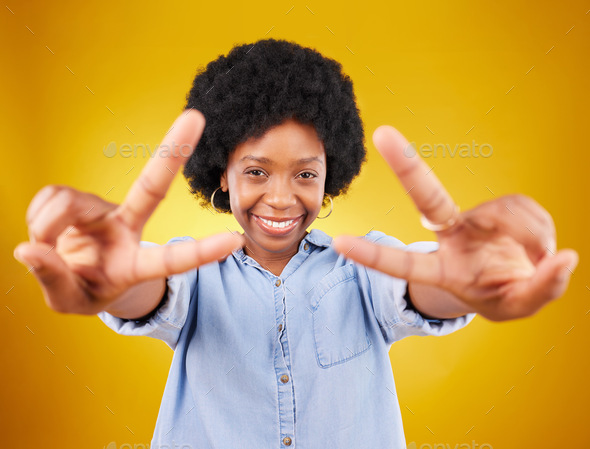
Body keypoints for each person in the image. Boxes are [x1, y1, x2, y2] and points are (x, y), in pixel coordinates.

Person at [14, 39, 578, 448]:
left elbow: (422, 287)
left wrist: (462, 283)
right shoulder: (194, 272)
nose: (281, 198)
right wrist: (112, 281)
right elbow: (146, 292)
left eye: (305, 174)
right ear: (222, 175)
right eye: (256, 172)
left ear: (330, 175)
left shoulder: (363, 268)